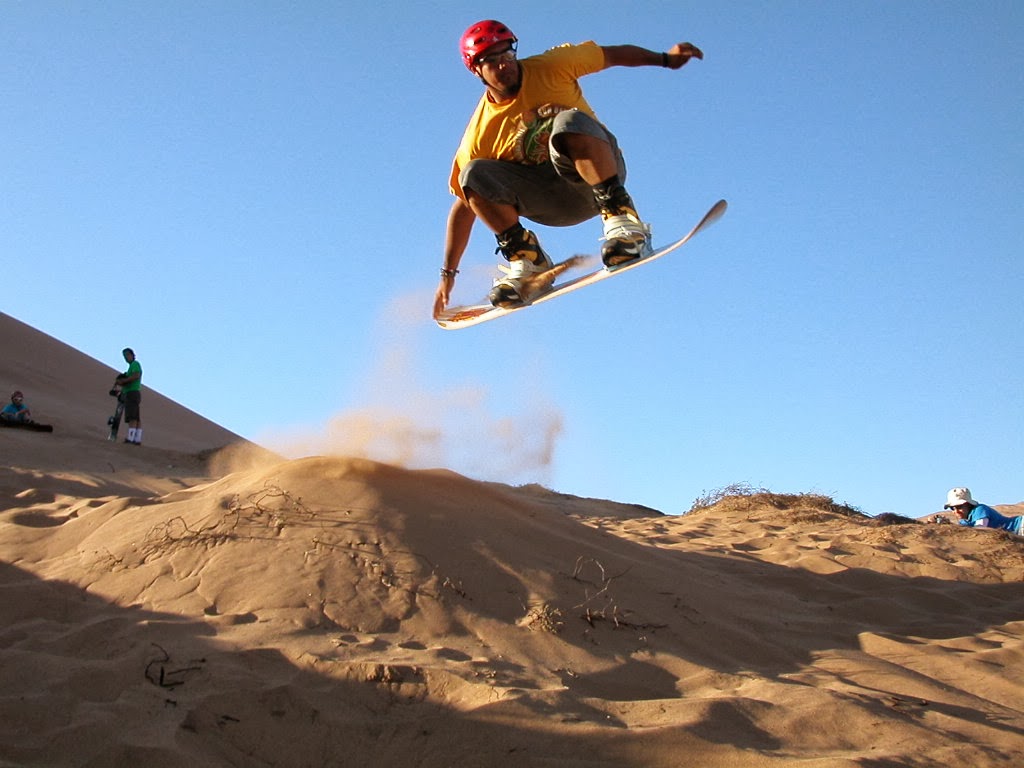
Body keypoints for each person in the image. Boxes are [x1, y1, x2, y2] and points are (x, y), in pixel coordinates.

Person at [434, 20, 703, 316]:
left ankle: (623, 221)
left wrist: (664, 59)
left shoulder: (552, 66)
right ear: (476, 69)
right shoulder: (479, 134)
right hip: (551, 204)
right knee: (472, 173)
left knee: (567, 122)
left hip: (596, 172)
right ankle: (529, 261)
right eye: (493, 61)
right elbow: (464, 206)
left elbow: (611, 55)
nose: (504, 66)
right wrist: (448, 275)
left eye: (508, 56)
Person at [944, 487, 1022, 535]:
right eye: (952, 508)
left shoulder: (979, 510)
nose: (956, 511)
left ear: (968, 504)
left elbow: (981, 529)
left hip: (1019, 526)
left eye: (959, 507)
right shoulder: (965, 521)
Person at [115, 348, 143, 445]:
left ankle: (131, 439)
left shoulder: (135, 364)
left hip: (132, 392)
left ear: (132, 354)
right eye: (124, 356)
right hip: (132, 392)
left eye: (127, 355)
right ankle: (137, 439)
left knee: (132, 417)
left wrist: (124, 381)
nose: (126, 358)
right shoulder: (131, 366)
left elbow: (136, 375)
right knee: (136, 416)